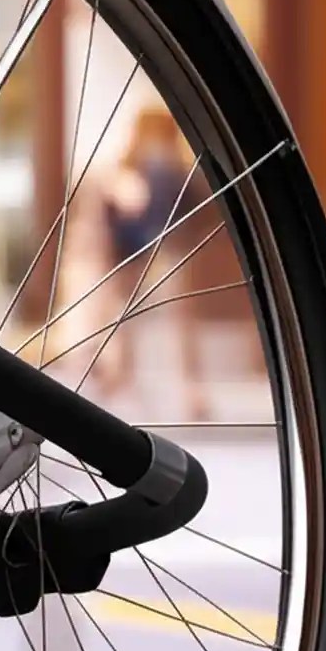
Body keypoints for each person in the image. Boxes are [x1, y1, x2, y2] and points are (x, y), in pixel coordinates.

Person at [89, 106, 210, 418]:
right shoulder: (133, 171)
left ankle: (181, 387)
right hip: (144, 252)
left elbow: (192, 211)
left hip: (155, 251)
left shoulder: (163, 171)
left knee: (161, 319)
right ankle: (130, 378)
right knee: (137, 319)